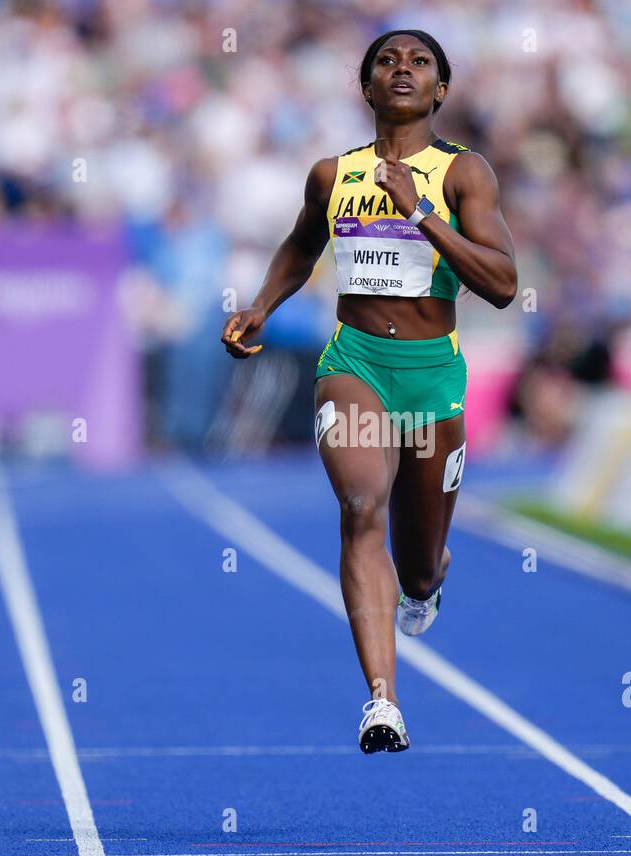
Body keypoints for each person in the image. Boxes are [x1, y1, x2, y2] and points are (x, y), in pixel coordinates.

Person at [220, 29, 517, 753]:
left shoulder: (463, 174)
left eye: (420, 62)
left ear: (441, 90)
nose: (403, 69)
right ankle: (382, 701)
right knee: (360, 507)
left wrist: (419, 212)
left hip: (432, 378)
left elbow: (504, 285)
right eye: (388, 61)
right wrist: (264, 302)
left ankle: (428, 577)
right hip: (353, 365)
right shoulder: (333, 174)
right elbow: (300, 244)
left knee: (417, 567)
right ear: (367, 87)